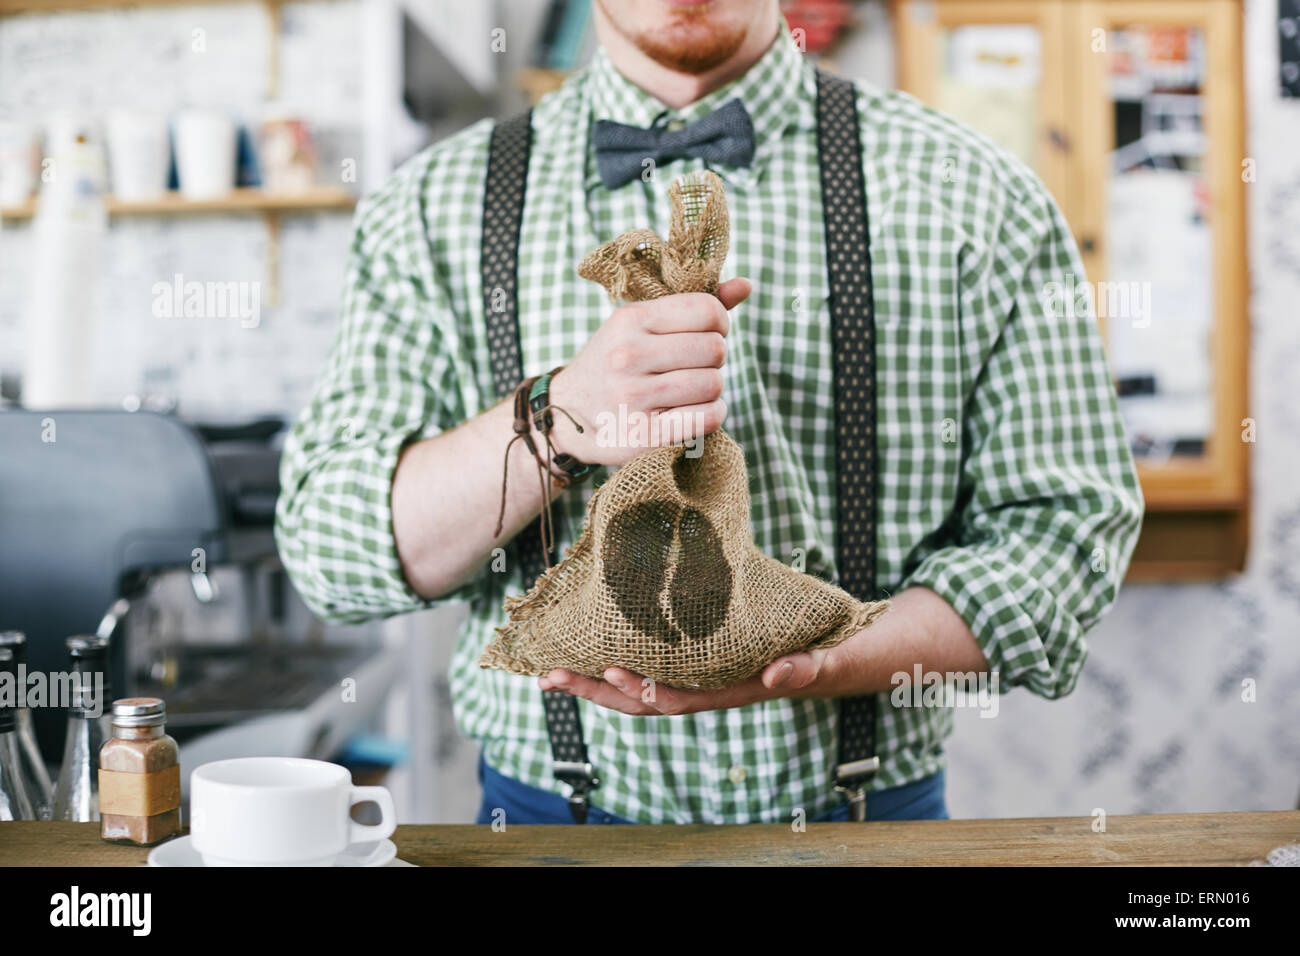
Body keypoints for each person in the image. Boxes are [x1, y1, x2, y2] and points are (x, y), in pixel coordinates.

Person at [275, 0, 1144, 824]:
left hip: (868, 822)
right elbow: (331, 551)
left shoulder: (979, 195)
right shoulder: (428, 211)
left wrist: (821, 662)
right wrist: (564, 417)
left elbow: (1065, 541)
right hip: (546, 826)